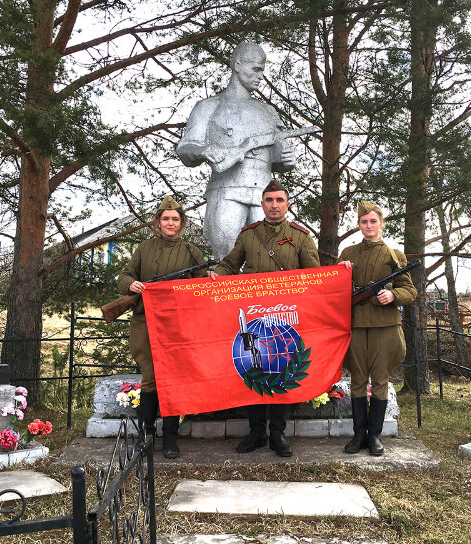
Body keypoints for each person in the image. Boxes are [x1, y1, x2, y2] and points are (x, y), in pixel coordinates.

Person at [210, 179, 319, 457]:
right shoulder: (248, 235)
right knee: (253, 368)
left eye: (279, 200)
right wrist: (217, 275)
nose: (274, 205)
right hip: (256, 318)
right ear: (262, 204)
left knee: (281, 371)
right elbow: (230, 265)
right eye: (269, 200)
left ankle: (278, 434)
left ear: (287, 204)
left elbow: (314, 277)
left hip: (285, 319)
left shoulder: (300, 236)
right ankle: (256, 431)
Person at [176, 42, 298, 260]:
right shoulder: (209, 106)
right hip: (226, 191)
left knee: (267, 262)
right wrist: (205, 150)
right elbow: (186, 148)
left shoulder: (268, 112)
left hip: (264, 195)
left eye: (262, 70)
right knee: (224, 260)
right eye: (256, 69)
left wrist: (286, 159)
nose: (261, 76)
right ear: (238, 64)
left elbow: (279, 154)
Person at [116, 196, 206, 458]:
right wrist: (131, 285)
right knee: (150, 377)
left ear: (182, 223)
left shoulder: (192, 252)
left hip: (177, 323)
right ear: (158, 222)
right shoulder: (144, 249)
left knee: (173, 380)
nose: (170, 223)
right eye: (165, 218)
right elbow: (125, 275)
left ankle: (170, 438)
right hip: (146, 321)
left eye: (175, 219)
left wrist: (211, 280)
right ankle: (146, 436)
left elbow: (202, 289)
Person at [337, 201, 417, 456]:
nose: (368, 226)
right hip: (357, 325)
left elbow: (410, 290)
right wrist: (341, 272)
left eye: (373, 221)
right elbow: (335, 287)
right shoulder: (348, 254)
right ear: (359, 225)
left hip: (385, 327)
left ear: (381, 224)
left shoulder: (394, 256)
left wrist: (393, 296)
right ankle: (358, 434)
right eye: (364, 222)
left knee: (380, 381)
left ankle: (374, 436)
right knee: (357, 381)